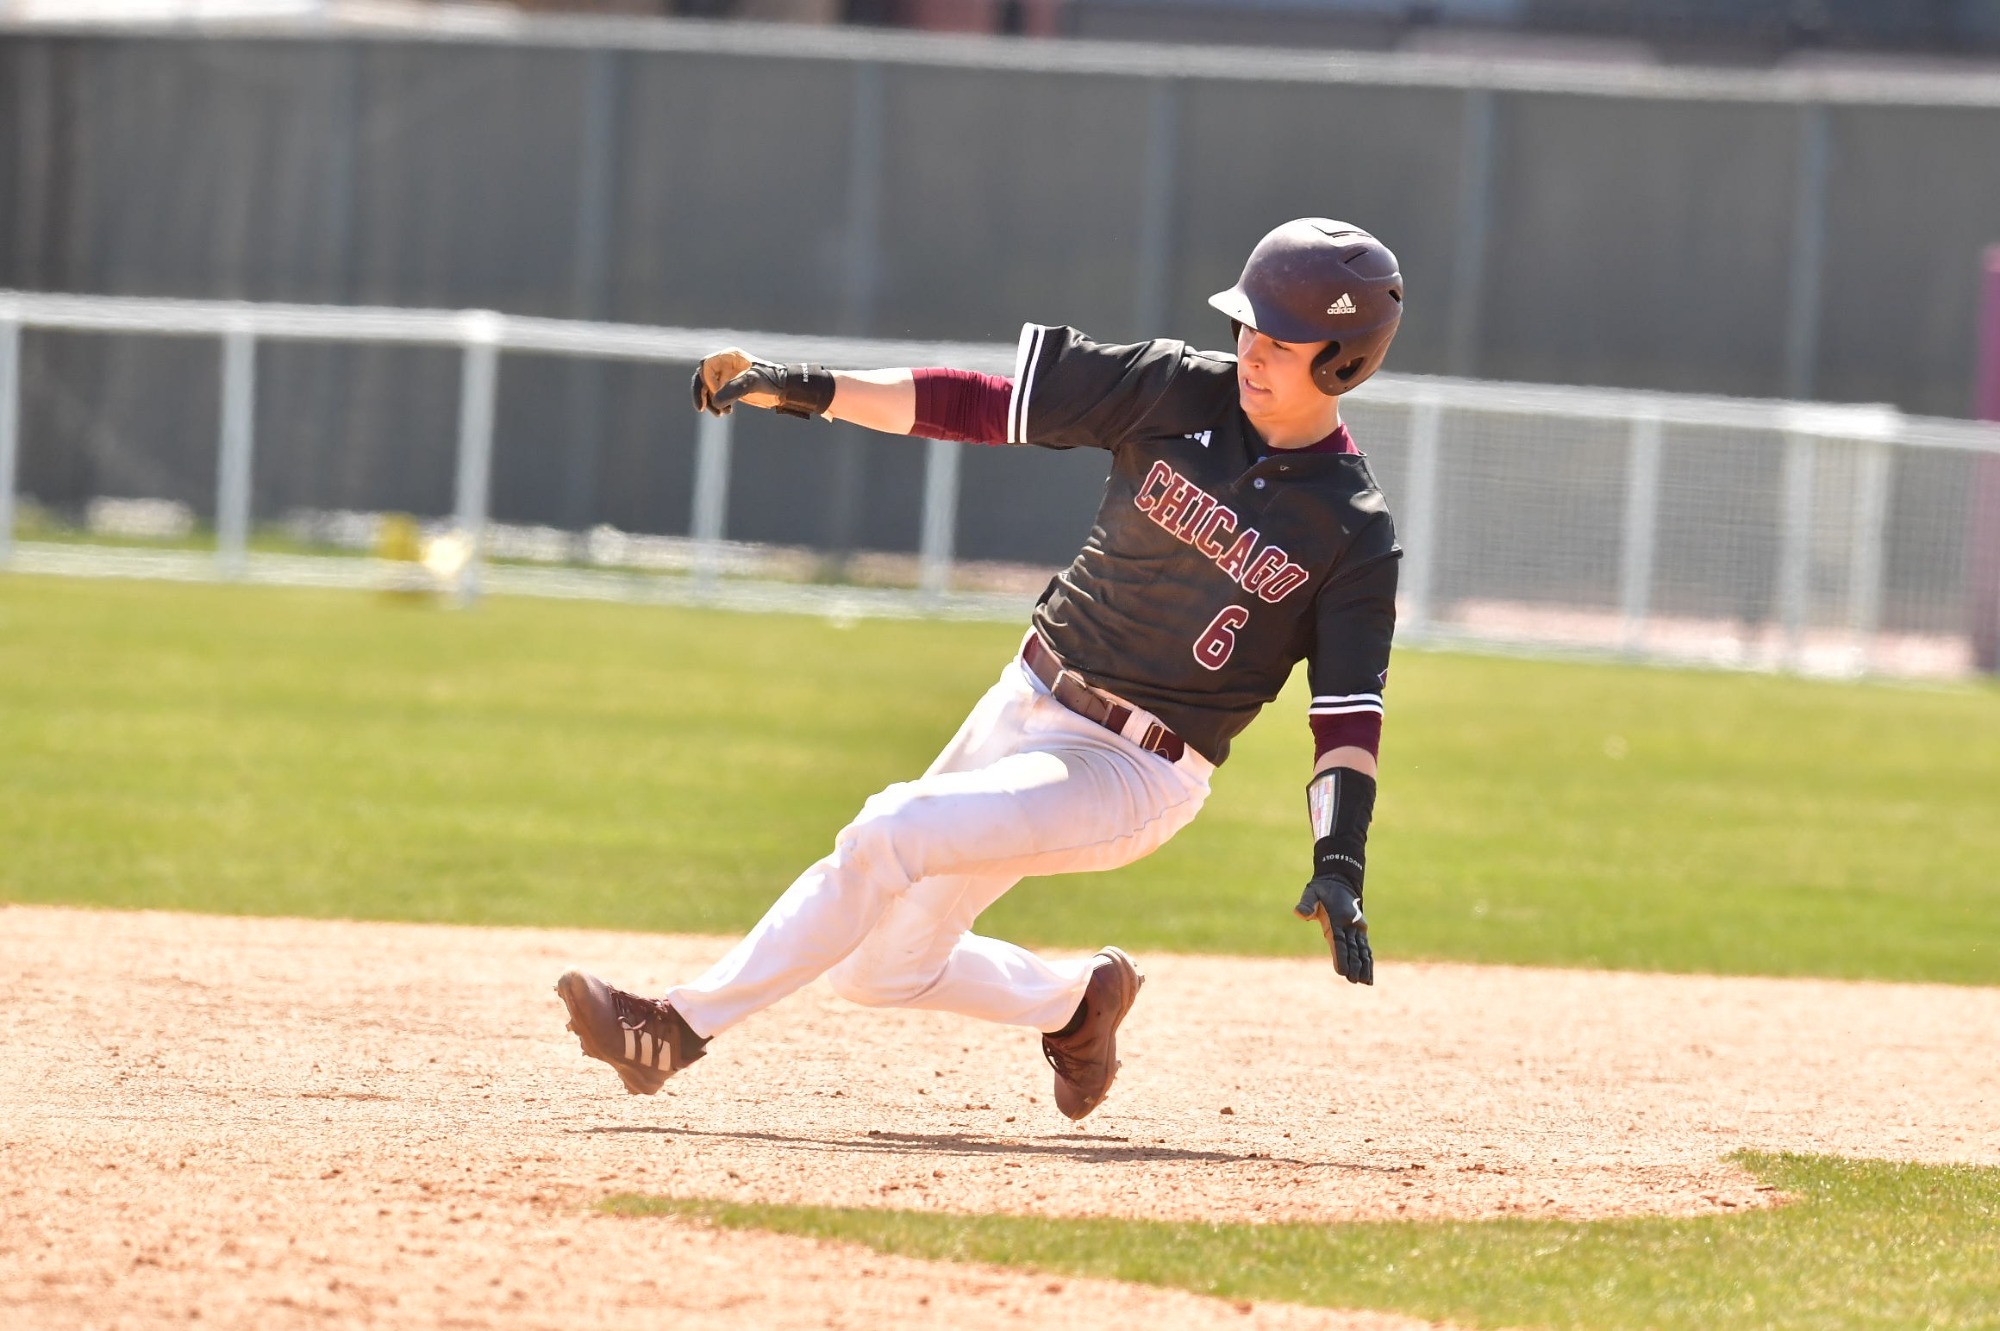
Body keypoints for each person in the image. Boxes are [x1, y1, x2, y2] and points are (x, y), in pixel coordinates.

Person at [557, 218, 1403, 1122]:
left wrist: (1339, 860)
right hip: (1029, 692)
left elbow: (1347, 718)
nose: (1250, 350)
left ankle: (673, 1029)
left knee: (891, 826)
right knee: (876, 970)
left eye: (1280, 339)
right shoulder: (1169, 389)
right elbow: (975, 404)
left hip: (1132, 768)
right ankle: (1079, 1005)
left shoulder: (1351, 530)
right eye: (1246, 326)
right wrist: (810, 388)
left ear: (1343, 361)